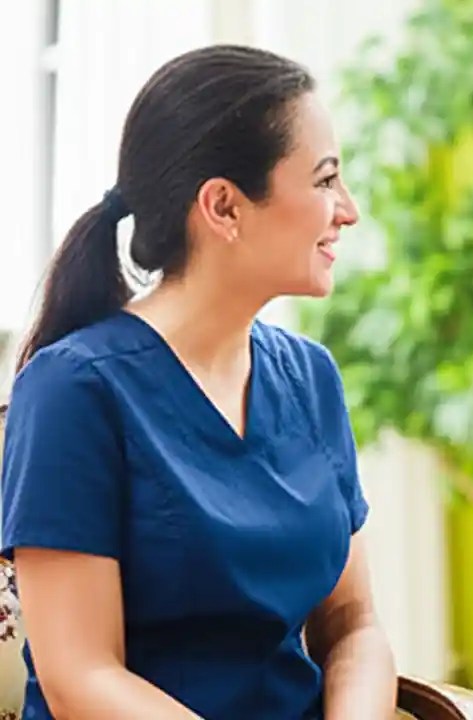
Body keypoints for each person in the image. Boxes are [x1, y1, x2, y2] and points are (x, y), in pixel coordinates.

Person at [0, 45, 397, 718]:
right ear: (223, 206)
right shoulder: (73, 392)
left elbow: (353, 624)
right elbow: (79, 675)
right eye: (326, 180)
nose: (348, 209)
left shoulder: (311, 380)